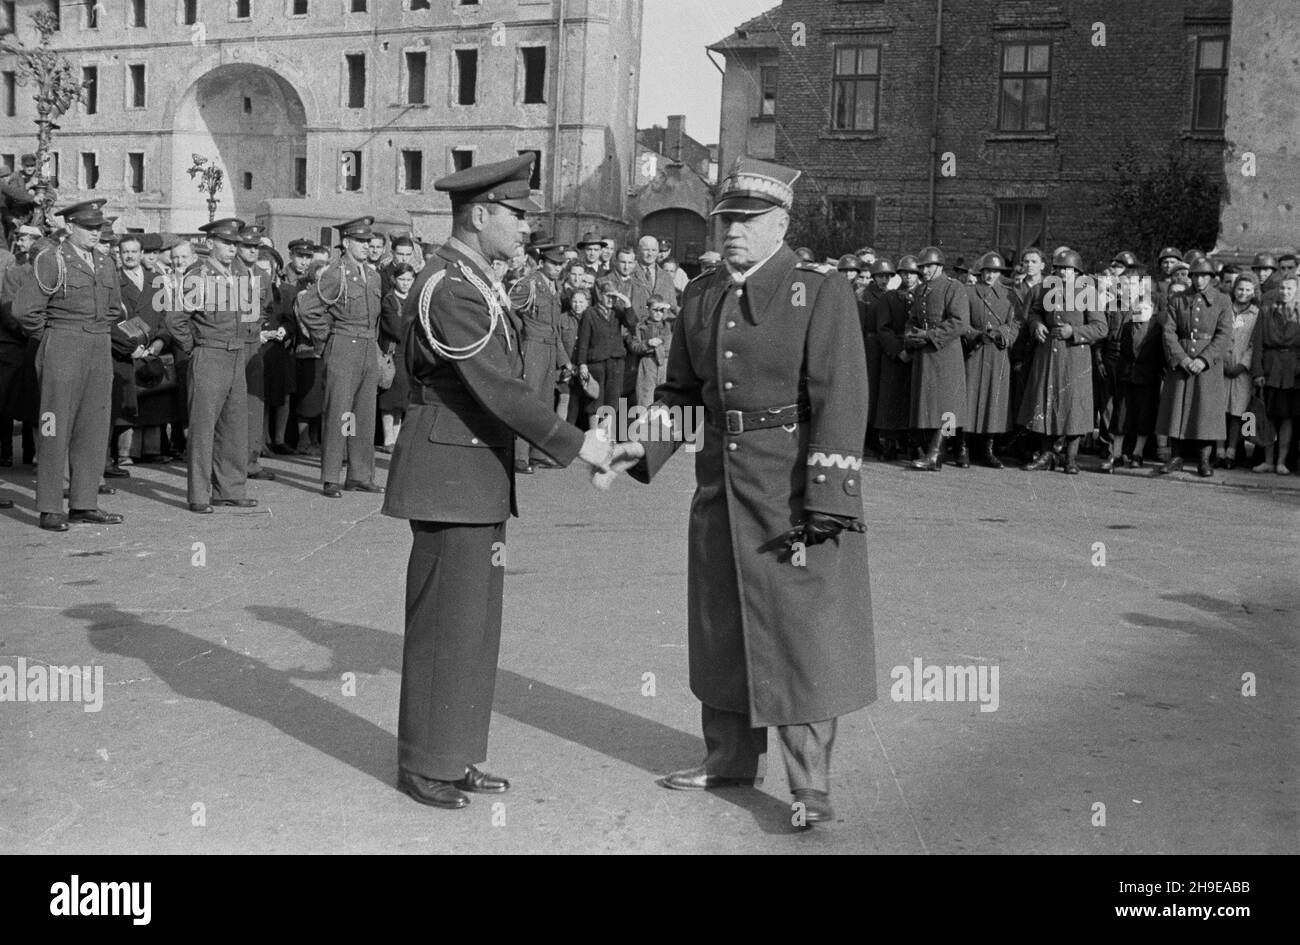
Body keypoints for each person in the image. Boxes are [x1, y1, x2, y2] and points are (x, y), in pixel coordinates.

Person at [607, 156, 873, 826]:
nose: (732, 231)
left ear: (781, 223)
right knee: (721, 623)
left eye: (749, 220)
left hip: (789, 492)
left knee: (799, 635)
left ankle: (810, 788)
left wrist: (830, 498)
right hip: (719, 485)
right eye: (727, 218)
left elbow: (840, 397)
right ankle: (727, 758)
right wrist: (646, 440)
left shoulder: (819, 290)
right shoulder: (701, 294)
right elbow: (680, 393)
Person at [380, 154, 613, 810]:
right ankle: (427, 762)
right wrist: (580, 443)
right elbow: (501, 388)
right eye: (515, 214)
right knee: (444, 626)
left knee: (471, 627)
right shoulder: (449, 286)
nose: (524, 225)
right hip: (449, 473)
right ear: (479, 215)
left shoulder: (471, 278)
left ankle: (454, 754)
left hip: (470, 472)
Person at [12, 199, 124, 531]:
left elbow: (115, 308)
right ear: (70, 227)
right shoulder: (53, 259)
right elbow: (24, 310)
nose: (95, 233)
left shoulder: (105, 262)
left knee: (93, 426)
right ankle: (49, 506)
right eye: (89, 228)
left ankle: (84, 503)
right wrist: (50, 336)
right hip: (63, 344)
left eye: (98, 228)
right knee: (54, 427)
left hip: (99, 345)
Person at [165, 218, 257, 514]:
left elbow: (248, 312)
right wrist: (195, 347)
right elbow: (175, 320)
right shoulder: (199, 275)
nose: (233, 249)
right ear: (209, 244)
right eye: (226, 243)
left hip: (235, 355)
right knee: (203, 429)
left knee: (233, 427)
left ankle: (229, 489)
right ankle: (199, 495)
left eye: (235, 244)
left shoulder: (239, 272)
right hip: (209, 355)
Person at [299, 217, 384, 497]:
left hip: (368, 347)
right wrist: (326, 340)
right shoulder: (336, 273)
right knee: (339, 412)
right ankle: (331, 476)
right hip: (344, 344)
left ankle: (359, 474)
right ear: (346, 243)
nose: (365, 246)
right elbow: (309, 309)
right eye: (360, 241)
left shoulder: (373, 275)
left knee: (363, 413)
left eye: (368, 241)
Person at [1018, 248, 1107, 474]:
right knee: (1046, 402)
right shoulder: (1047, 289)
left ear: (1077, 272)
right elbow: (1035, 312)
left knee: (1073, 408)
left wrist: (1074, 332)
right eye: (1058, 269)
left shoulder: (1088, 292)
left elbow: (1100, 327)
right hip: (1048, 357)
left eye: (1067, 269)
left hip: (1074, 358)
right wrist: (1036, 324)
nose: (1062, 273)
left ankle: (1071, 458)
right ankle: (1047, 454)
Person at [1155, 257, 1233, 477]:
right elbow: (1169, 331)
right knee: (1176, 409)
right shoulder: (1178, 299)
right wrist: (1182, 358)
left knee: (1205, 412)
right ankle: (1176, 457)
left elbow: (1224, 334)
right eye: (1196, 275)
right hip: (1182, 362)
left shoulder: (1222, 301)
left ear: (1211, 278)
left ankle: (1204, 460)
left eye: (1204, 276)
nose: (1199, 280)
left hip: (1208, 366)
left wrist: (1204, 359)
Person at [905, 246, 970, 471]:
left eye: (929, 266)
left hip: (945, 354)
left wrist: (930, 335)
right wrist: (910, 335)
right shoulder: (922, 289)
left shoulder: (954, 287)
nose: (925, 271)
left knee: (947, 406)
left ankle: (936, 454)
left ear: (940, 266)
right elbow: (912, 318)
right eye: (922, 267)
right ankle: (931, 451)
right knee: (928, 404)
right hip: (925, 354)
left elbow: (960, 322)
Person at [507, 243, 568, 472]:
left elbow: (555, 327)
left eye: (560, 264)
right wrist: (524, 333)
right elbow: (508, 309)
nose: (557, 268)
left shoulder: (554, 287)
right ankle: (519, 456)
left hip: (550, 349)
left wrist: (564, 359)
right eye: (553, 263)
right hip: (532, 348)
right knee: (529, 401)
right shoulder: (529, 284)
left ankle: (538, 453)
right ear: (542, 263)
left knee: (544, 402)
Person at [963, 252, 1019, 467]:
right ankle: (963, 447)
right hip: (974, 352)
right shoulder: (968, 292)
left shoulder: (1009, 295)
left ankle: (988, 449)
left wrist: (1001, 334)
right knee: (969, 399)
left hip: (997, 354)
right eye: (986, 271)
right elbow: (961, 321)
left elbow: (1015, 324)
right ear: (980, 271)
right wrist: (975, 335)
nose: (990, 275)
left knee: (993, 401)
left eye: (994, 271)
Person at [1250, 273, 1300, 474]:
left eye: (1289, 288)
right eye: (1282, 288)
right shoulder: (1266, 310)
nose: (1285, 292)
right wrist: (1258, 371)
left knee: (1287, 417)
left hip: (1293, 371)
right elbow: (1258, 344)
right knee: (1267, 416)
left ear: (1296, 290)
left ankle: (1282, 461)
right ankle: (1268, 460)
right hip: (1270, 369)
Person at [875, 255, 918, 461]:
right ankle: (888, 444)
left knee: (913, 400)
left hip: (917, 353)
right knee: (890, 400)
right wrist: (898, 351)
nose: (908, 277)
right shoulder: (890, 297)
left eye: (912, 273)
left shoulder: (924, 295)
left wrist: (912, 350)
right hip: (893, 354)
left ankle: (913, 444)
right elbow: (883, 329)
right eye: (904, 273)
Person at [1219, 273, 1259, 469]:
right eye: (1240, 289)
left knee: (1238, 412)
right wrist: (1220, 363)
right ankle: (1218, 450)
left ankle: (1231, 452)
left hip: (1241, 371)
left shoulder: (1256, 314)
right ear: (1234, 290)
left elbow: (1254, 344)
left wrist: (1242, 365)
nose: (1243, 293)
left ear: (1254, 292)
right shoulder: (1224, 309)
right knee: (1218, 409)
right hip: (1221, 368)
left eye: (1248, 290)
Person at [377, 263, 416, 453]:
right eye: (402, 279)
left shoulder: (414, 300)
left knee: (403, 399)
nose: (406, 283)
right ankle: (388, 438)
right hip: (393, 352)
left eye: (409, 279)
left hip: (409, 352)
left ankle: (397, 437)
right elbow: (395, 328)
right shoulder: (389, 300)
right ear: (394, 279)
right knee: (390, 397)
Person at [577, 285, 627, 419]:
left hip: (616, 363)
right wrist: (582, 363)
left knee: (612, 401)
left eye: (614, 297)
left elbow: (632, 322)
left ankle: (606, 436)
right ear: (600, 295)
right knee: (595, 401)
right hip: (597, 363)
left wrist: (626, 302)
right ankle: (594, 435)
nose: (611, 300)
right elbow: (583, 340)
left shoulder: (618, 312)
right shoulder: (590, 313)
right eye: (608, 296)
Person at [626, 292, 674, 407]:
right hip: (647, 363)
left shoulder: (668, 326)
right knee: (645, 398)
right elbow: (634, 347)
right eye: (655, 310)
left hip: (665, 364)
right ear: (648, 309)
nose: (658, 313)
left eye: (661, 310)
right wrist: (648, 343)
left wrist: (662, 341)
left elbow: (671, 345)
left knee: (665, 399)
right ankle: (644, 423)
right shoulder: (641, 326)